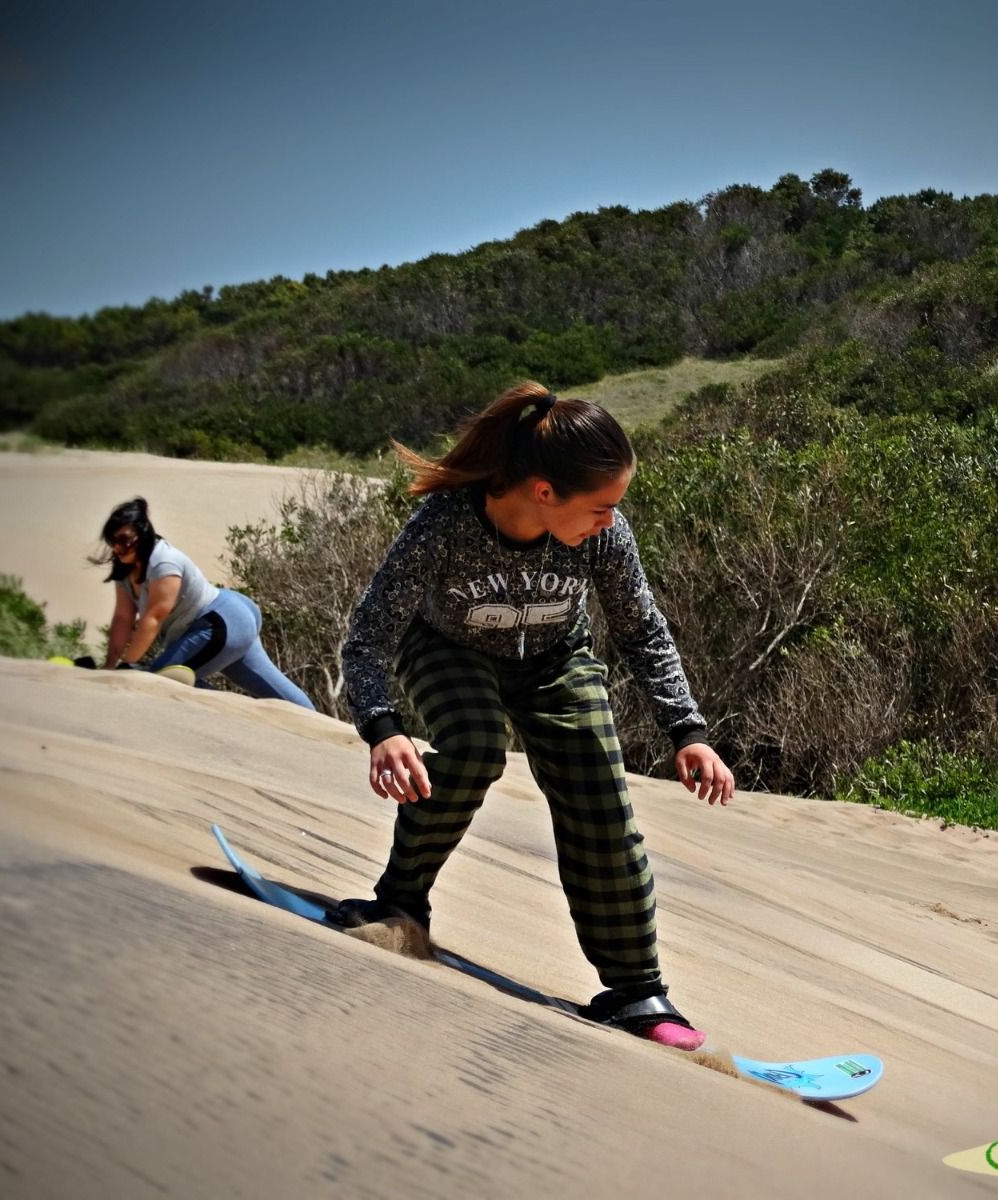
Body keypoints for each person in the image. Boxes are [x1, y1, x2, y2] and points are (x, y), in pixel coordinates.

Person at [338, 380, 734, 1050]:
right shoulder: (446, 524)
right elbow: (369, 636)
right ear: (544, 492)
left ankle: (636, 991)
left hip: (555, 657)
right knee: (474, 747)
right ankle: (401, 904)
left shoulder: (605, 539)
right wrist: (383, 725)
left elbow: (641, 631)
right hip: (447, 648)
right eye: (602, 506)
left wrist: (687, 730)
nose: (611, 520)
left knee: (600, 795)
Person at [93, 497, 315, 710]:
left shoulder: (163, 563)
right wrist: (111, 665)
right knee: (278, 692)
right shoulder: (124, 571)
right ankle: (312, 731)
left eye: (124, 540)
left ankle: (242, 721)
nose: (117, 548)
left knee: (162, 678)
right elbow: (123, 618)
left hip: (221, 623)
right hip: (227, 619)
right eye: (112, 542)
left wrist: (126, 667)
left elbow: (154, 617)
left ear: (143, 534)